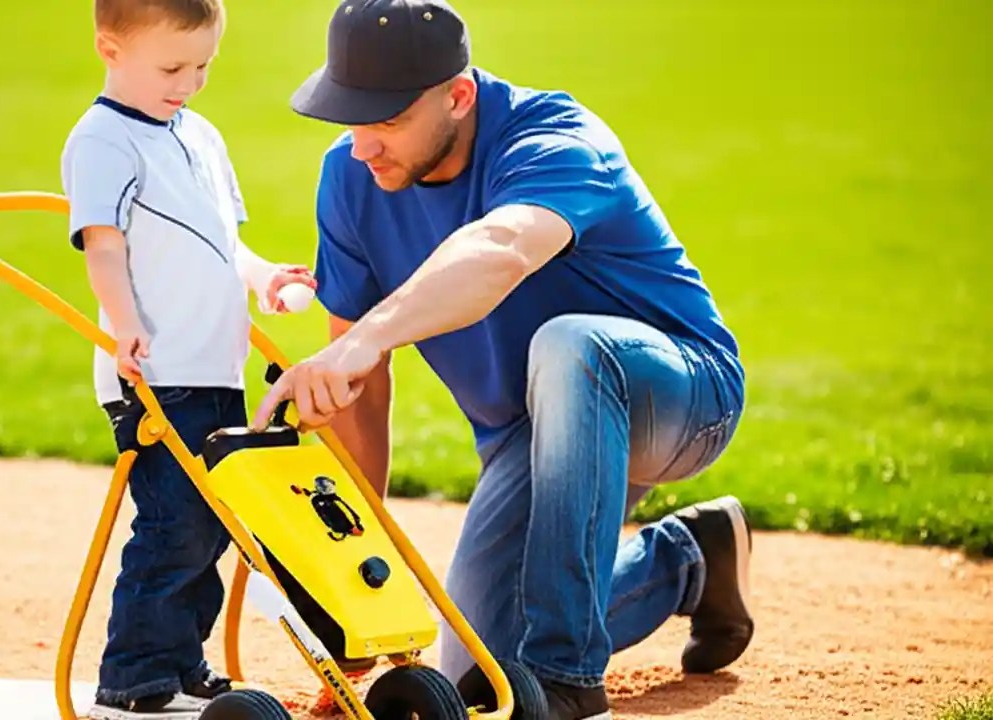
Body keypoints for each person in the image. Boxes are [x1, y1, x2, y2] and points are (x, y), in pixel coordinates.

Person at [252, 1, 754, 718]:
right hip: (528, 434)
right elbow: (358, 390)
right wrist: (351, 583)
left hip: (677, 395)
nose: (364, 147)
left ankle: (567, 678)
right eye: (350, 118)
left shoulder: (556, 139)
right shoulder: (351, 178)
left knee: (571, 344)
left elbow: (499, 250)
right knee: (479, 674)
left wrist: (367, 336)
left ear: (458, 97)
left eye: (386, 120)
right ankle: (689, 560)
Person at [59, 1, 315, 717]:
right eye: (173, 67)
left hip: (216, 369)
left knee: (215, 528)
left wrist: (266, 278)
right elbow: (103, 247)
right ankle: (134, 674)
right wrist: (126, 323)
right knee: (175, 526)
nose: (191, 81)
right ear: (110, 48)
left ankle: (180, 658)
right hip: (156, 373)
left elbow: (224, 245)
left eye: (204, 64)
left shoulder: (199, 135)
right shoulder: (103, 140)